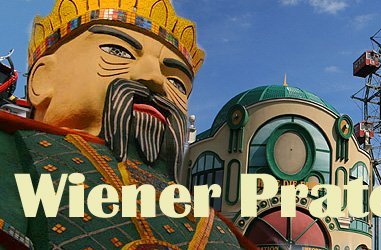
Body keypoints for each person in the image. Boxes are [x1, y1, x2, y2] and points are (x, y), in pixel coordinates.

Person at [0, 0, 255, 249]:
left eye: (177, 83)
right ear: (43, 79)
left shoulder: (215, 225)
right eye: (118, 51)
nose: (154, 79)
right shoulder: (15, 152)